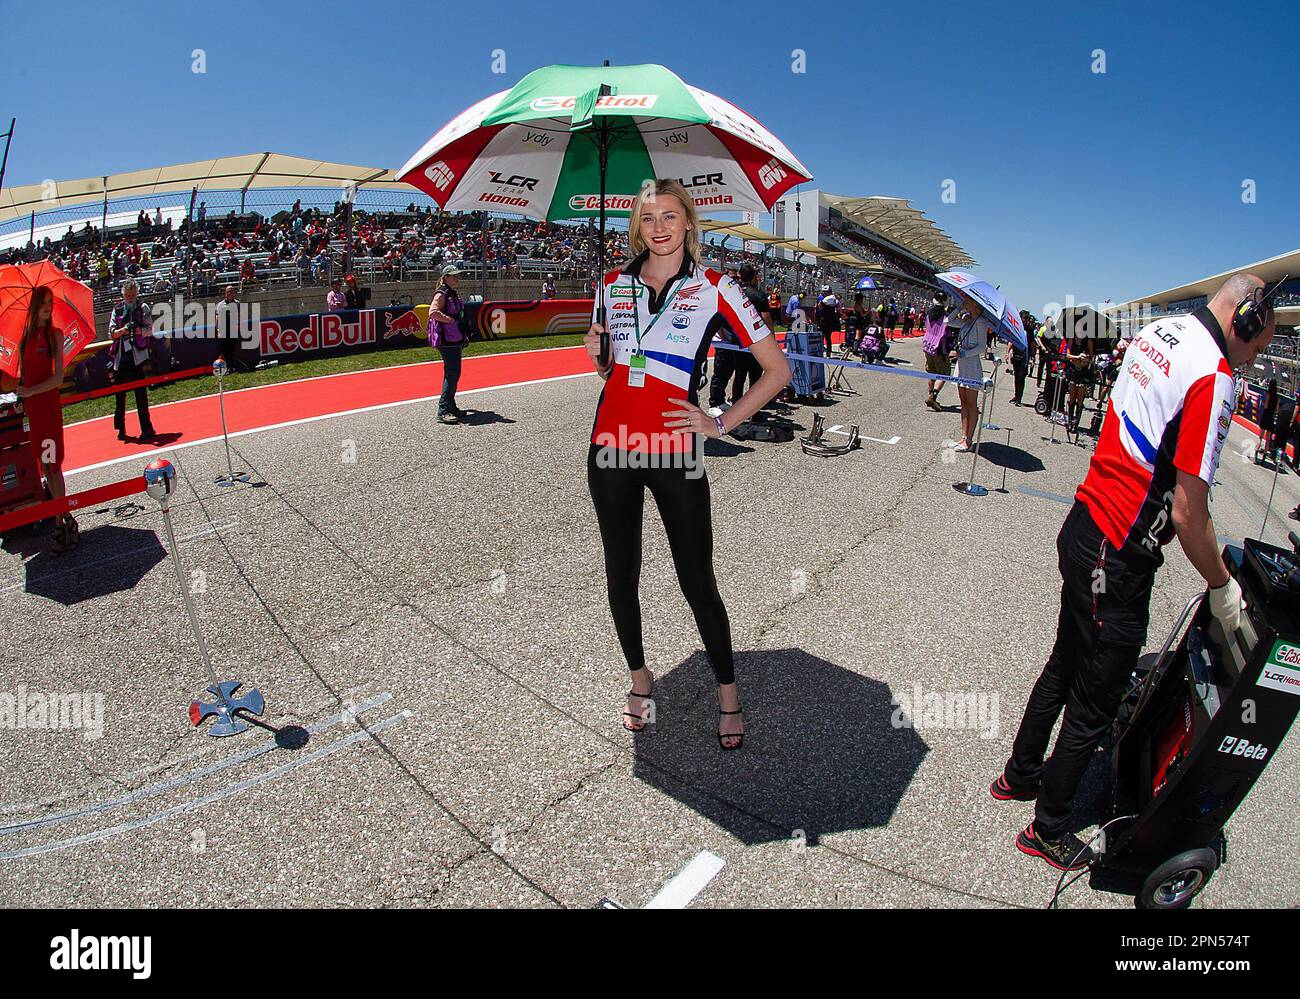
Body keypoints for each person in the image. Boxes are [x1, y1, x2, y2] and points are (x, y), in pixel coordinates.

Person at [995, 273, 1275, 871]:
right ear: (1247, 320)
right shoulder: (1214, 374)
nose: (1251, 362)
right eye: (1256, 346)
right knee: (1095, 698)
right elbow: (1188, 508)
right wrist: (1223, 586)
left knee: (1064, 662)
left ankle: (1020, 774)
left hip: (1083, 525)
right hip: (1117, 551)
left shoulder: (1159, 330)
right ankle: (1047, 828)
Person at [583, 178, 791, 751]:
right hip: (611, 446)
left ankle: (727, 692)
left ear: (688, 224)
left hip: (677, 452)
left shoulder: (716, 287)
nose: (659, 228)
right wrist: (596, 350)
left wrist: (721, 422)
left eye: (670, 217)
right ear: (636, 227)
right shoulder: (609, 284)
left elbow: (777, 371)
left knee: (696, 577)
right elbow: (609, 370)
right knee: (620, 574)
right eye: (648, 219)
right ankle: (639, 679)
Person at [9, 287, 77, 554]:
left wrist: (31, 391)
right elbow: (23, 376)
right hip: (33, 412)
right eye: (44, 302)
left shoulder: (55, 335)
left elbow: (58, 379)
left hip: (47, 410)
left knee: (52, 466)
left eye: (50, 302)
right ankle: (66, 519)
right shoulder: (25, 339)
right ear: (35, 305)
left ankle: (60, 526)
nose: (48, 307)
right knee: (45, 468)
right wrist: (21, 390)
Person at [107, 280, 157, 442]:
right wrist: (123, 330)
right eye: (127, 295)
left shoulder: (143, 308)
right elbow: (111, 333)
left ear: (137, 294)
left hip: (137, 358)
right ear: (122, 295)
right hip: (121, 359)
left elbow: (150, 330)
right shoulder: (117, 309)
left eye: (132, 295)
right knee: (119, 397)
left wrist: (138, 330)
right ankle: (121, 429)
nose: (130, 298)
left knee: (141, 396)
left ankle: (147, 429)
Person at [951, 294, 995, 452]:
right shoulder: (967, 319)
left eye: (968, 301)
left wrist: (962, 354)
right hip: (961, 364)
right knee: (963, 402)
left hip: (971, 365)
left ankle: (969, 440)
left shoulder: (981, 322)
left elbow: (981, 347)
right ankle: (963, 437)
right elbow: (948, 321)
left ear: (976, 305)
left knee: (971, 404)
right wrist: (958, 308)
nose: (965, 302)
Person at [428, 264, 467, 424]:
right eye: (453, 275)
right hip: (447, 339)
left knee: (453, 373)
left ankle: (451, 406)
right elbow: (433, 312)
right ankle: (443, 410)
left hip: (454, 338)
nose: (457, 278)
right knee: (452, 374)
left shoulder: (451, 292)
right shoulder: (442, 293)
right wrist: (448, 320)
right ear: (445, 277)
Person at [922, 294, 951, 411]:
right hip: (939, 346)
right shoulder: (946, 316)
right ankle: (933, 396)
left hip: (927, 344)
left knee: (931, 371)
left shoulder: (929, 314)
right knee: (944, 373)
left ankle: (930, 393)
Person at [1256, 377, 1278, 463]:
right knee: (1268, 439)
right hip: (1271, 416)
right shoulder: (1277, 397)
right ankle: (1264, 456)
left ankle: (1256, 451)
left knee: (1260, 436)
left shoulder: (1268, 394)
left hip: (1266, 415)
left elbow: (1265, 406)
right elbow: (1277, 410)